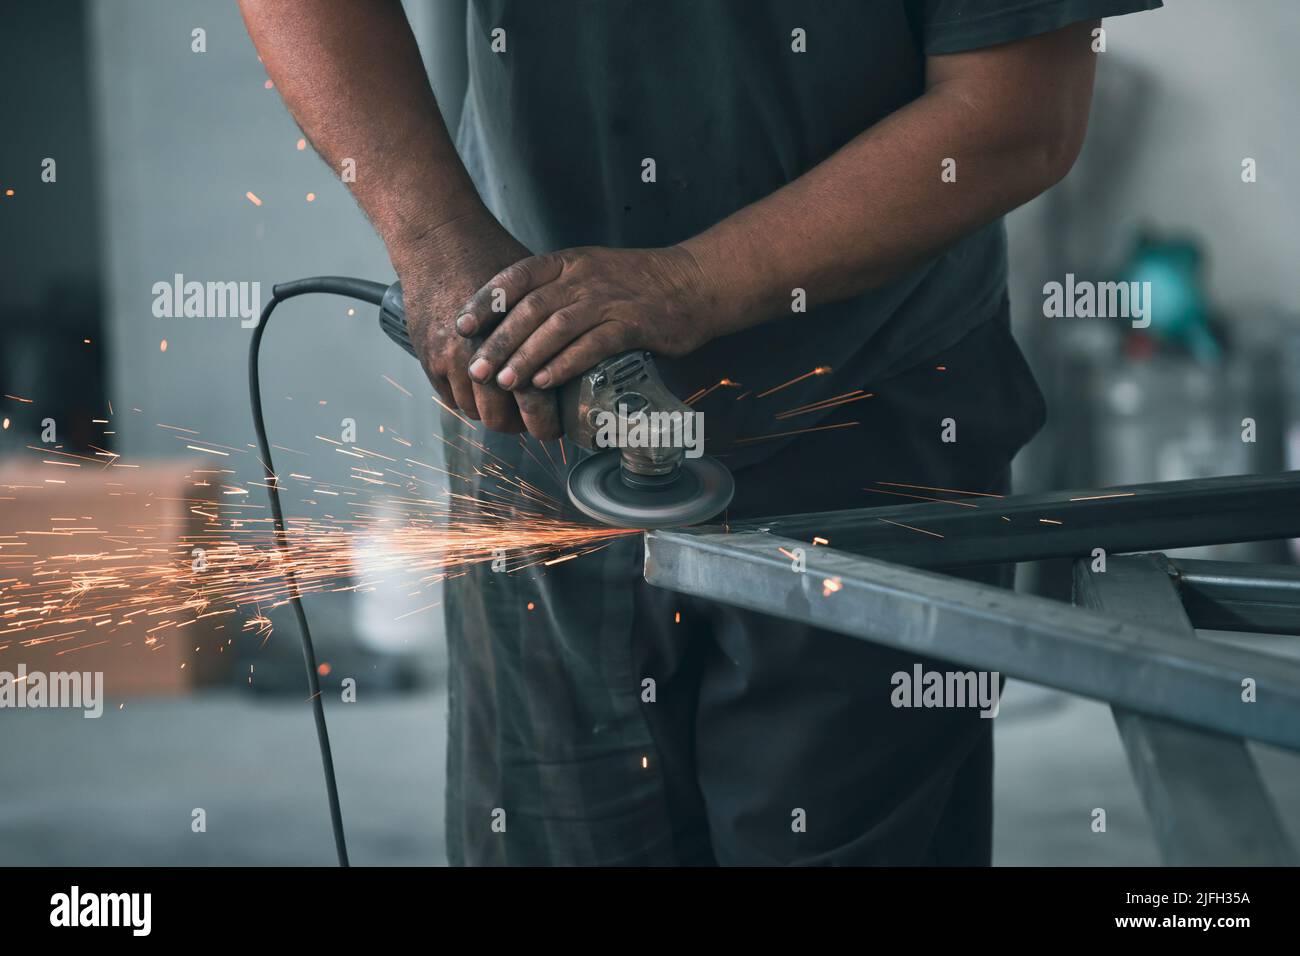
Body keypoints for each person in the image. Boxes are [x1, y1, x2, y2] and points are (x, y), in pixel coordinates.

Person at [241, 0, 1161, 865]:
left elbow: (1018, 111)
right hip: (536, 410)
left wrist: (692, 283)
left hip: (873, 414)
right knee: (555, 835)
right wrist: (437, 241)